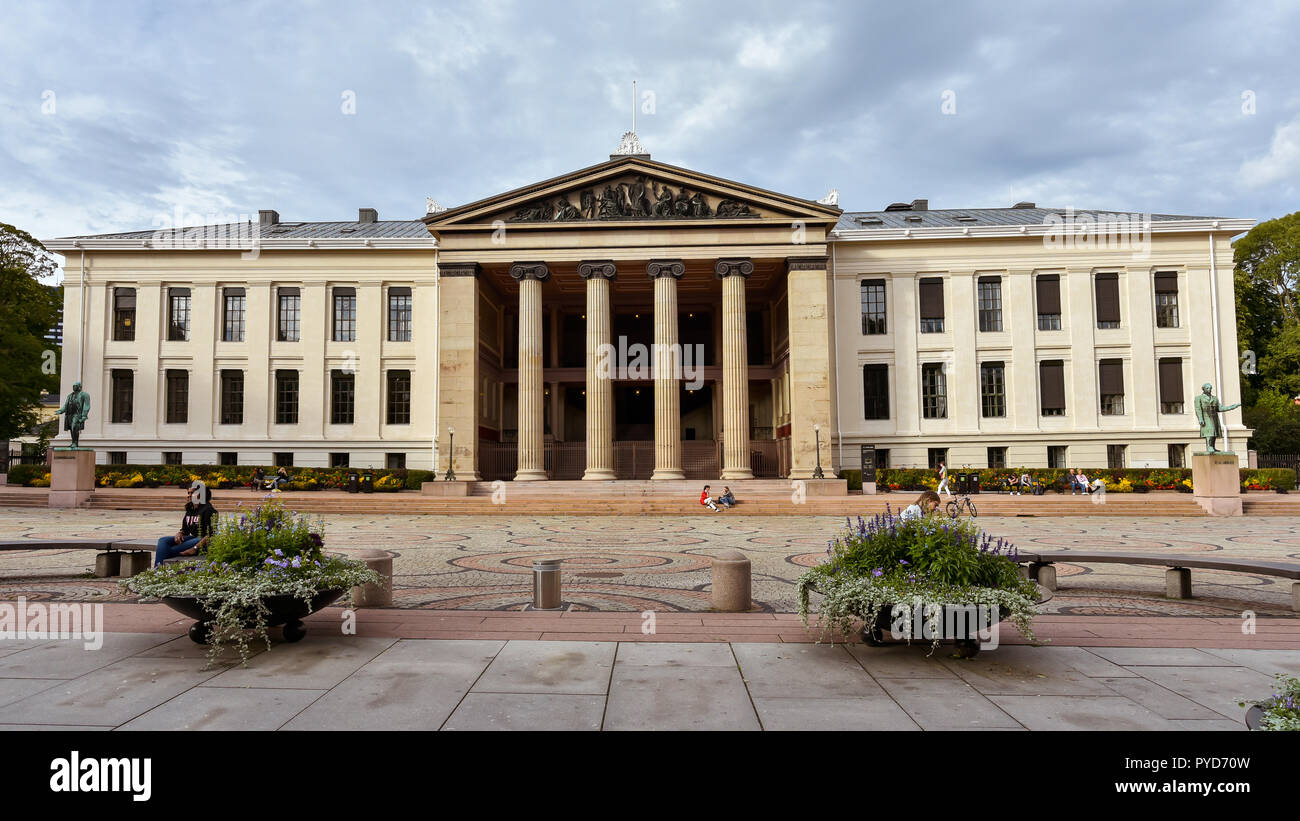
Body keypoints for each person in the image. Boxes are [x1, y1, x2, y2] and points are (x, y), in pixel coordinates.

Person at [154, 481, 217, 566]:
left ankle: (157, 571)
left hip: (203, 541)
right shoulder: (190, 509)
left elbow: (211, 534)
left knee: (169, 550)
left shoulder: (209, 510)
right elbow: (185, 530)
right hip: (193, 538)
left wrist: (195, 548)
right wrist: (180, 533)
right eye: (189, 492)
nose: (190, 495)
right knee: (163, 540)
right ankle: (158, 571)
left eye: (193, 492)